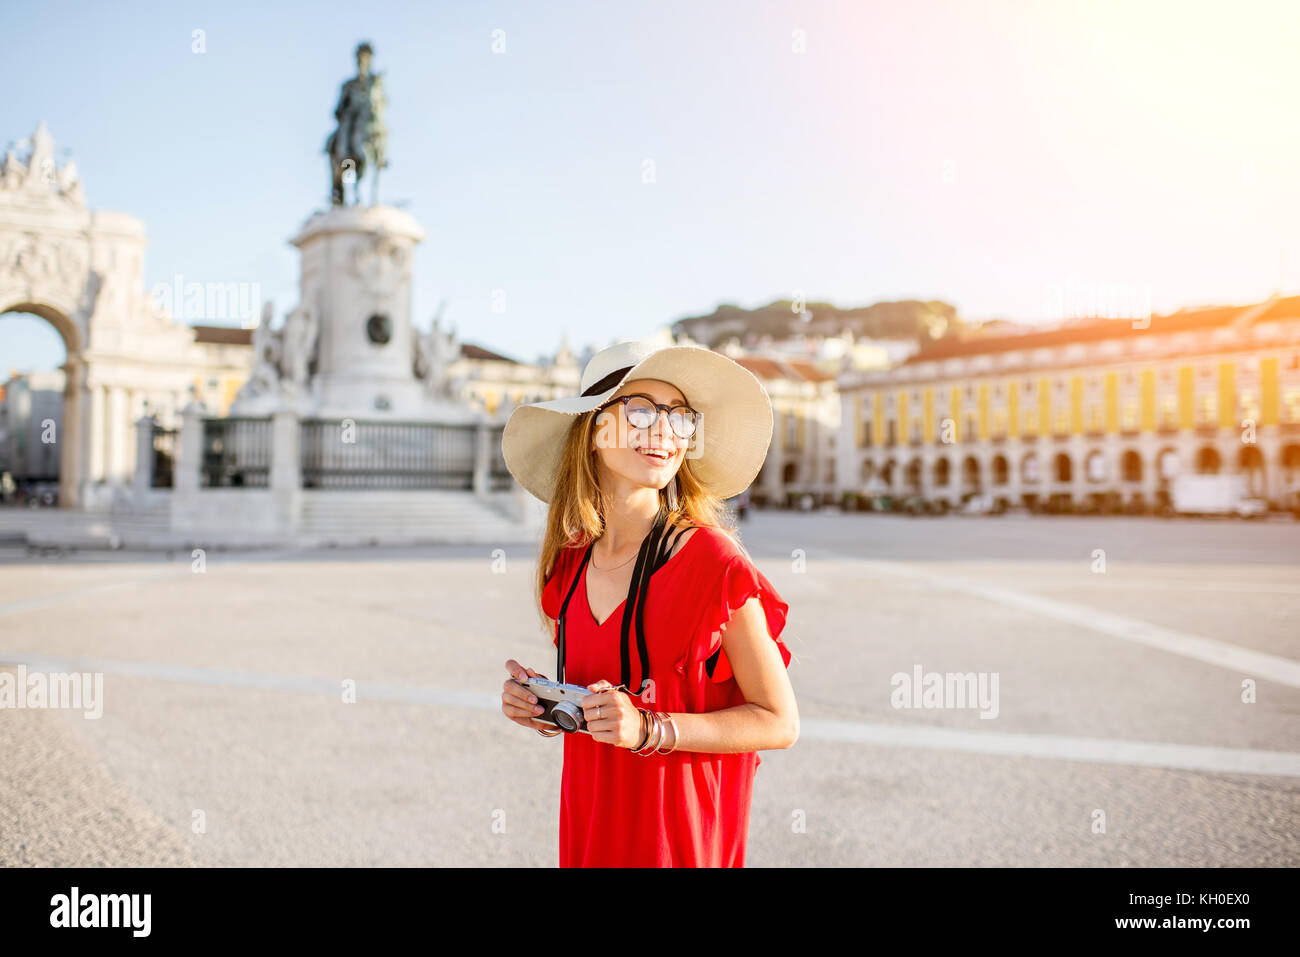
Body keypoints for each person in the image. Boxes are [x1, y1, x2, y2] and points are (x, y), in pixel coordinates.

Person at [499, 338, 798, 867]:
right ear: (593, 430)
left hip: (677, 844)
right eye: (639, 411)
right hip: (592, 832)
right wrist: (548, 705)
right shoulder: (568, 567)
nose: (664, 430)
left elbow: (779, 720)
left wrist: (649, 729)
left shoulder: (712, 562)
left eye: (679, 417)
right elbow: (611, 690)